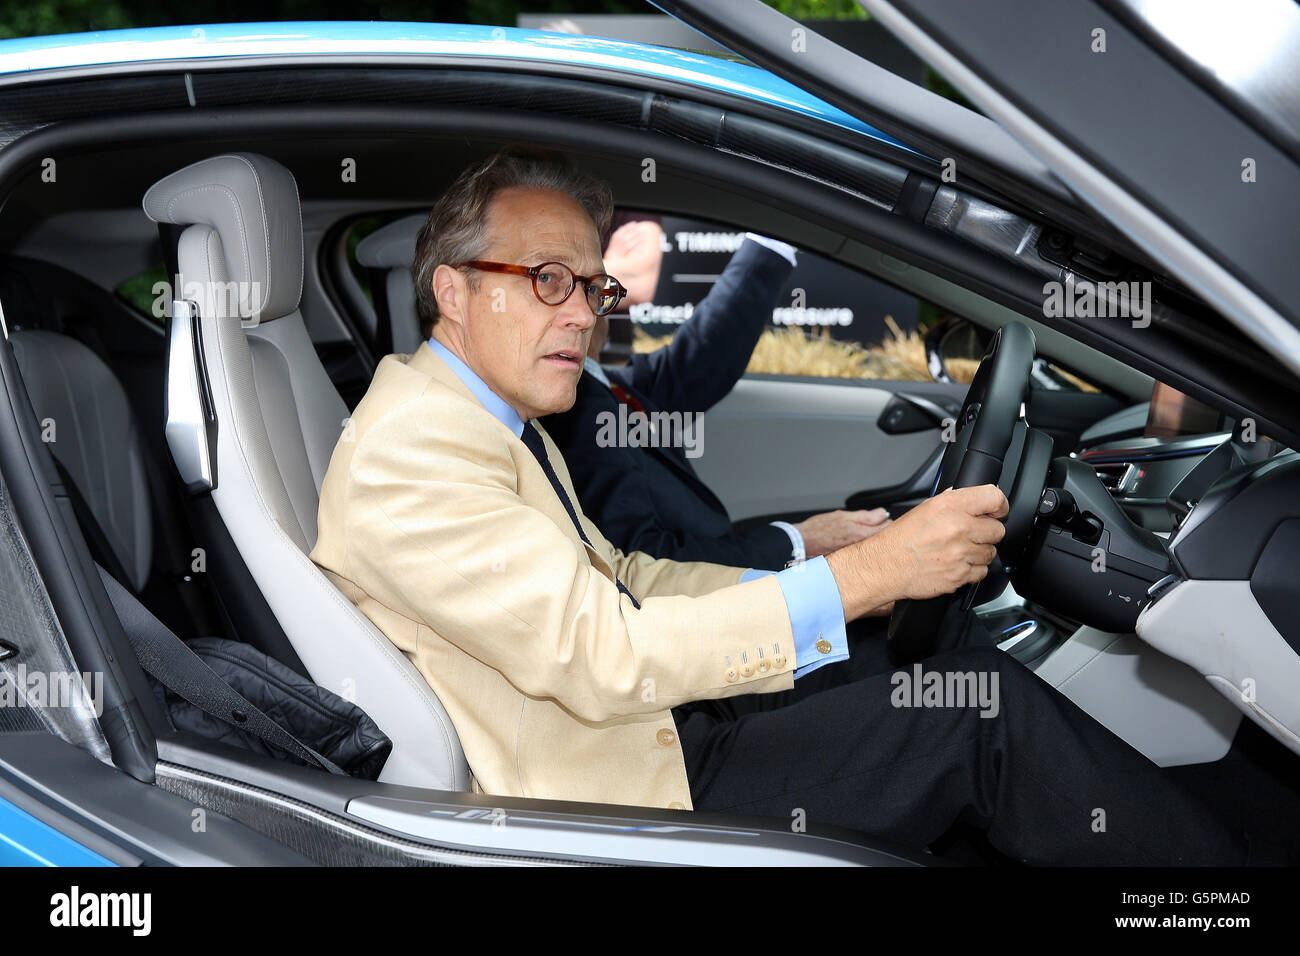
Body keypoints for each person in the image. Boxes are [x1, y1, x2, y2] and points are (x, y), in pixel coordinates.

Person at [310, 147, 1249, 865]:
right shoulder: (415, 451)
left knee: (936, 663)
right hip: (623, 797)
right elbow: (607, 652)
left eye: (591, 285)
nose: (583, 312)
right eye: (547, 279)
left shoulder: (476, 419)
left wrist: (839, 588)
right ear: (453, 290)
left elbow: (630, 580)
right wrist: (861, 573)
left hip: (650, 731)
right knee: (982, 715)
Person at [544, 226, 889, 570]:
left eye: (599, 287)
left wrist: (776, 233)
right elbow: (639, 563)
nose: (592, 306)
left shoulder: (606, 384)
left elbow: (702, 358)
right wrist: (799, 543)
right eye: (592, 288)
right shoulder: (574, 409)